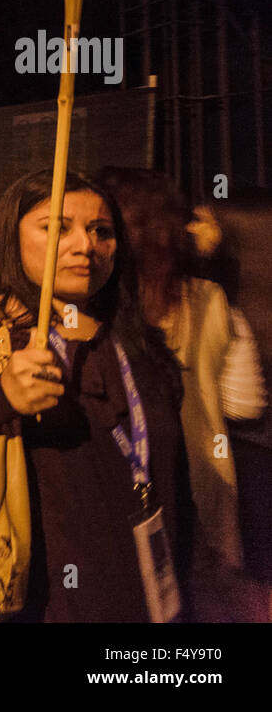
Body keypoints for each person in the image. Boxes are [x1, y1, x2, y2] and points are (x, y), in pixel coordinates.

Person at [0, 170, 193, 622]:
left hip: (152, 596)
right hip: (41, 603)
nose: (85, 245)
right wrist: (0, 398)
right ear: (12, 236)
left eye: (101, 231)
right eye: (57, 227)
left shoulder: (133, 342)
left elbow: (176, 482)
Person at [99, 166, 260, 572]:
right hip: (203, 483)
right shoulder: (211, 299)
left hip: (116, 493)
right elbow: (244, 403)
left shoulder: (91, 309)